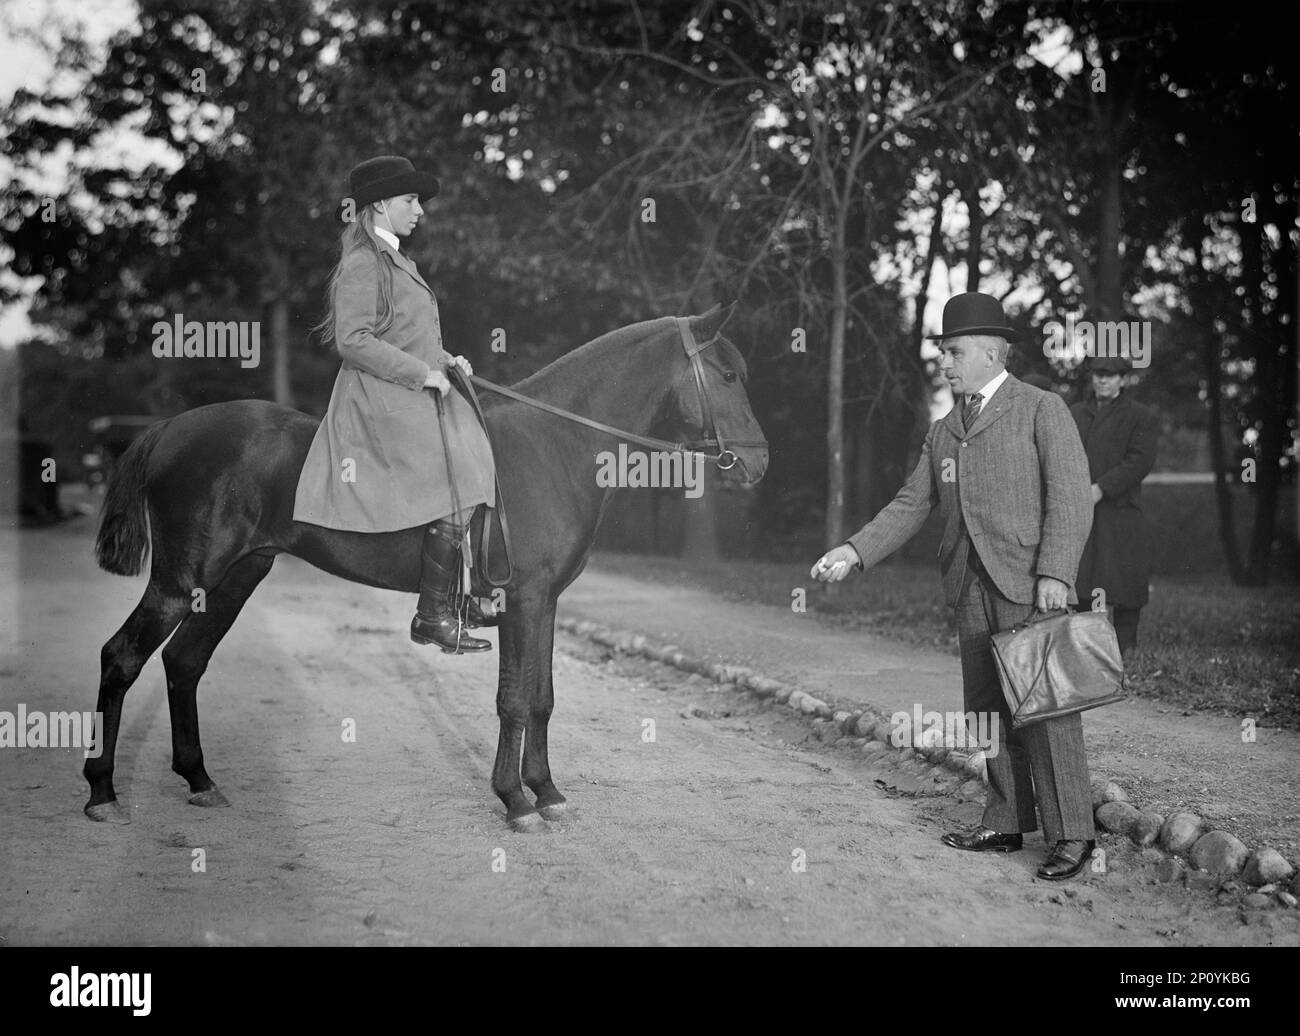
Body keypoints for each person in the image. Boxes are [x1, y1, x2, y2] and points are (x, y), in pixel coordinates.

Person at [812, 292, 1097, 881]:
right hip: (968, 584)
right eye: (943, 351)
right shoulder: (944, 430)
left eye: (955, 351)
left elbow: (1070, 498)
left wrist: (1055, 573)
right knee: (987, 711)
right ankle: (1005, 821)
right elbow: (912, 503)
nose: (946, 362)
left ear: (993, 353)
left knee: (1046, 709)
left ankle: (1073, 835)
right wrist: (853, 550)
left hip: (1029, 584)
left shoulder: (1042, 409)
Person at [293, 155, 496, 654]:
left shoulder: (399, 260)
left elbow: (406, 336)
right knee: (457, 478)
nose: (420, 210)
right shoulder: (364, 262)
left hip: (409, 388)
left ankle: (460, 595)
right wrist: (420, 373)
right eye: (411, 200)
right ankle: (433, 614)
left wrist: (446, 361)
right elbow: (353, 340)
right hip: (378, 398)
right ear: (380, 204)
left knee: (475, 455)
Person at [1069, 355, 1159, 660]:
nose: (1102, 381)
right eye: (1097, 374)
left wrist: (1102, 487)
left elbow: (1139, 461)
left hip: (1121, 511)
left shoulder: (1140, 416)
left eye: (1109, 375)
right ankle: (1087, 653)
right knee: (1084, 584)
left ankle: (1126, 652)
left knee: (1124, 586)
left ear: (1123, 379)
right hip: (1081, 510)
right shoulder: (1076, 413)